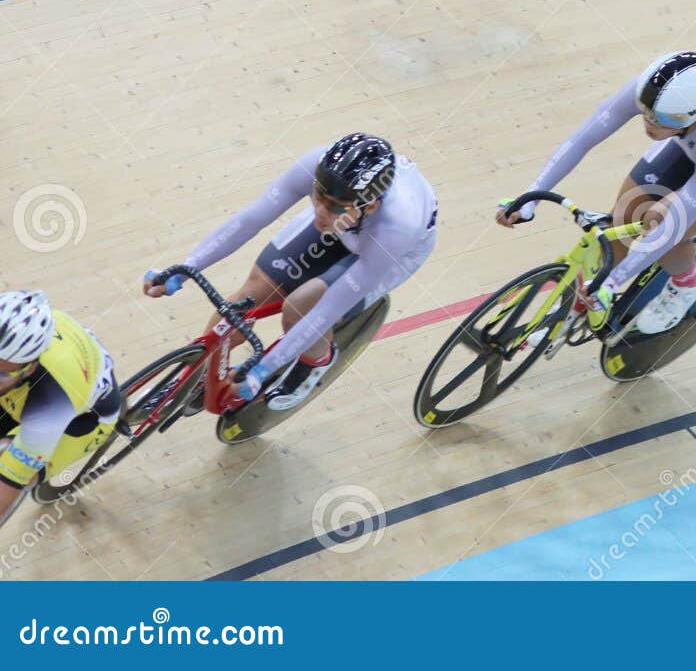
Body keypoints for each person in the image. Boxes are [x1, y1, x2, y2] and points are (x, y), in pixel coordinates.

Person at [498, 51, 696, 335]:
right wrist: (530, 198)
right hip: (693, 139)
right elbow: (582, 139)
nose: (650, 124)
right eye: (646, 114)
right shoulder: (653, 91)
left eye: (661, 120)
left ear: (693, 115)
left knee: (664, 224)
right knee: (624, 217)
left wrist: (612, 284)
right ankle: (578, 305)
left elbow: (683, 212)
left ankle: (688, 282)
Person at [144, 133, 437, 410]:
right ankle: (192, 377)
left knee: (301, 306)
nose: (320, 211)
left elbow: (328, 310)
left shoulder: (399, 228)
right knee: (248, 297)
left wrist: (263, 370)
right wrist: (186, 268)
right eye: (318, 196)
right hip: (346, 228)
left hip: (389, 251)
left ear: (369, 207)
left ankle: (316, 361)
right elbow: (248, 220)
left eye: (335, 206)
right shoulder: (318, 168)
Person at [0, 291, 118, 513]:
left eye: (1, 374)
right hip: (33, 380)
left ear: (29, 368)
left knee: (6, 462)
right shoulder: (12, 361)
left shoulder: (53, 402)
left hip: (85, 419)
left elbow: (6, 488)